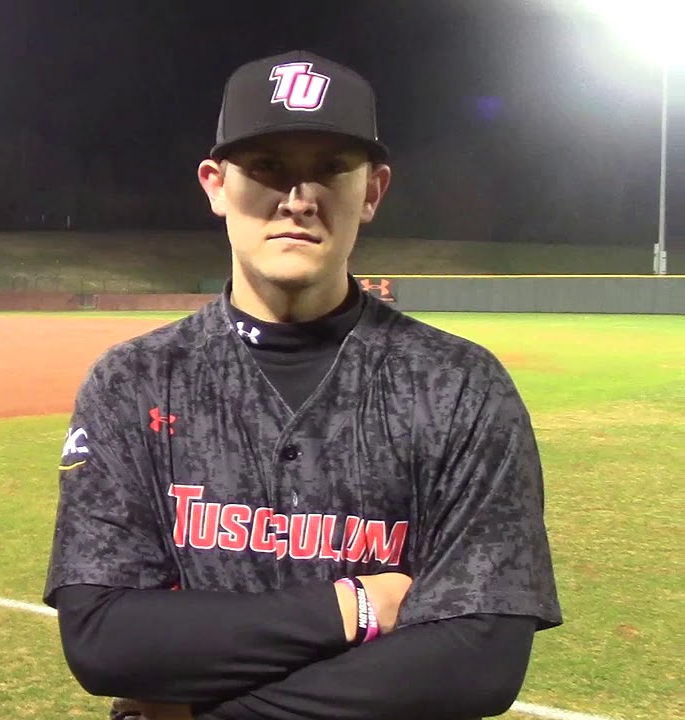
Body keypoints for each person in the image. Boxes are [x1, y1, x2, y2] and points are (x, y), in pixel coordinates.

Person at [44, 50, 562, 720]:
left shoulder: (458, 386)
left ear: (372, 190)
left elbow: (480, 659)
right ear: (215, 184)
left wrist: (203, 711)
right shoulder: (134, 382)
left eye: (329, 169)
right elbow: (104, 642)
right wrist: (354, 608)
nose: (298, 198)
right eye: (267, 168)